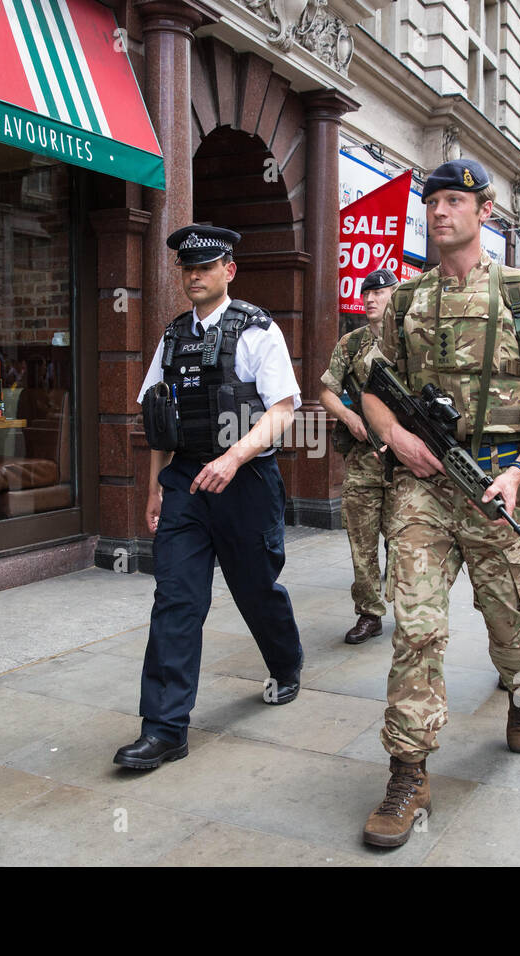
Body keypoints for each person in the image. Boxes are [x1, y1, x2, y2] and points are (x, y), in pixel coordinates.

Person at [358, 159, 520, 847]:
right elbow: (369, 385)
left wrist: (519, 470)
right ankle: (408, 770)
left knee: (512, 627)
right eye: (432, 202)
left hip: (494, 487)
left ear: (486, 211)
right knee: (417, 628)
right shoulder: (401, 301)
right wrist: (395, 436)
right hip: (423, 490)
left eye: (455, 201)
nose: (439, 213)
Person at [114, 224, 304, 771]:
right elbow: (157, 416)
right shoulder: (172, 337)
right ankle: (165, 728)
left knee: (256, 589)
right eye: (186, 267)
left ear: (229, 271)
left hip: (245, 484)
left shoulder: (257, 331)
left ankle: (285, 663)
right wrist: (155, 486)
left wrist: (234, 457)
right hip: (186, 483)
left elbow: (283, 412)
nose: (194, 275)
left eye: (205, 266)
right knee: (176, 600)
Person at [320, 267, 398, 644]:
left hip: (405, 464)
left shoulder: (413, 342)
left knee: (405, 540)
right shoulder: (351, 344)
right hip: (363, 462)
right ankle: (369, 613)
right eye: (366, 292)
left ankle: (412, 607)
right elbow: (327, 392)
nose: (369, 299)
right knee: (362, 542)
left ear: (394, 296)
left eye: (378, 293)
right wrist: (349, 415)